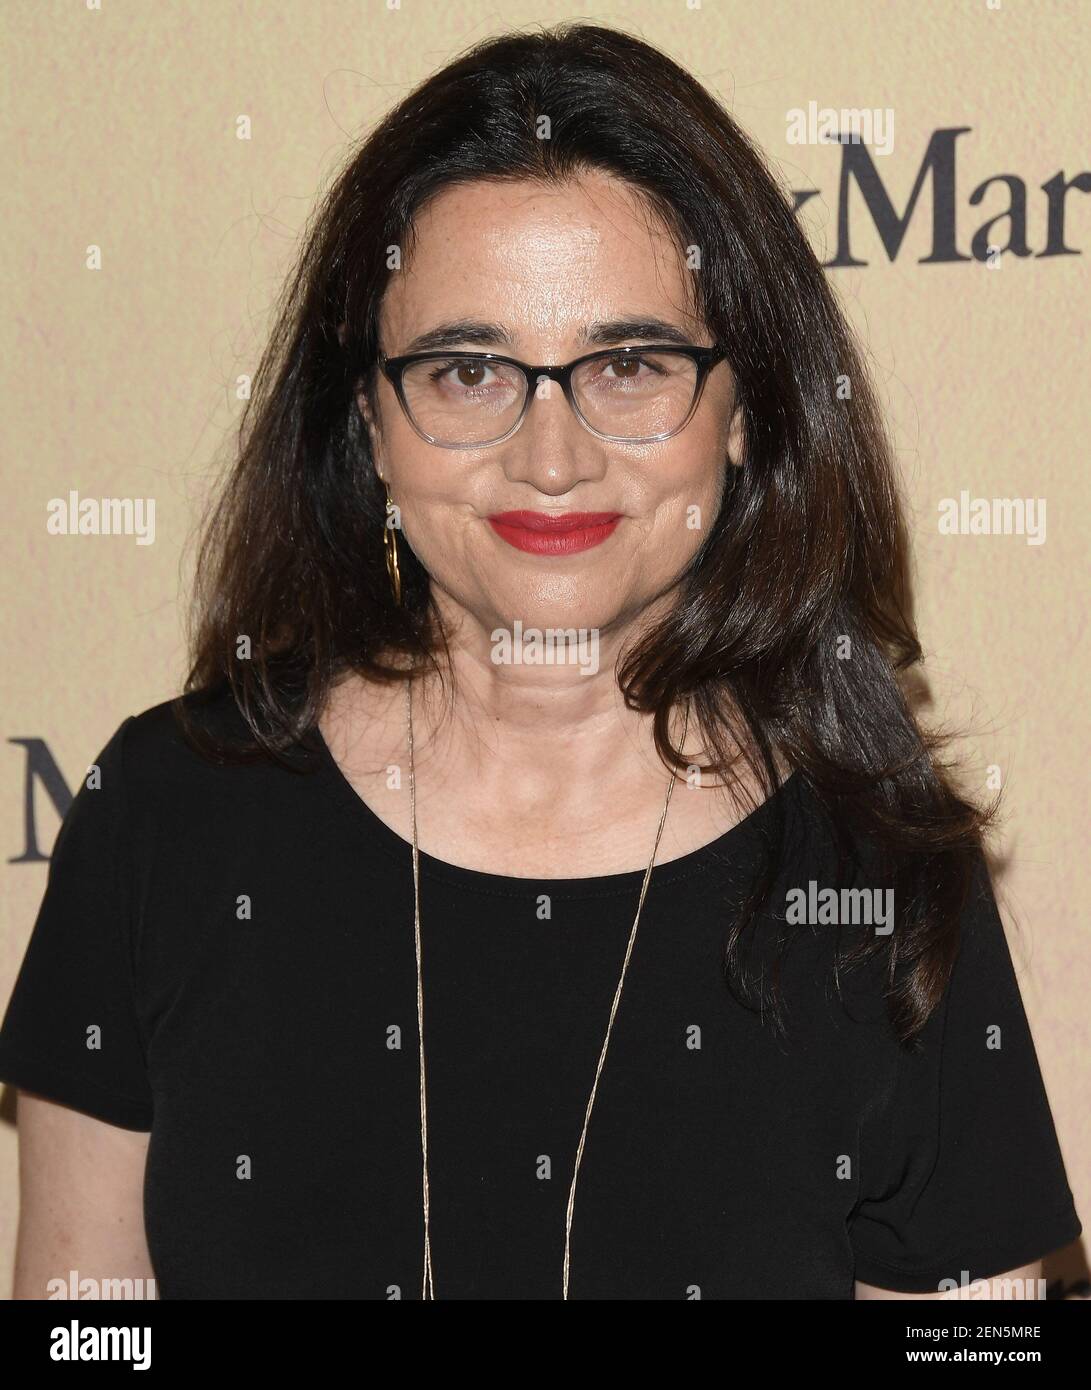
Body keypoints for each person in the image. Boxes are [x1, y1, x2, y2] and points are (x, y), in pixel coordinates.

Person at [0, 22, 1080, 1301]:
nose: (550, 454)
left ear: (742, 415)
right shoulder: (165, 817)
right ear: (370, 423)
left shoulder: (873, 877)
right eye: (468, 371)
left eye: (627, 364)